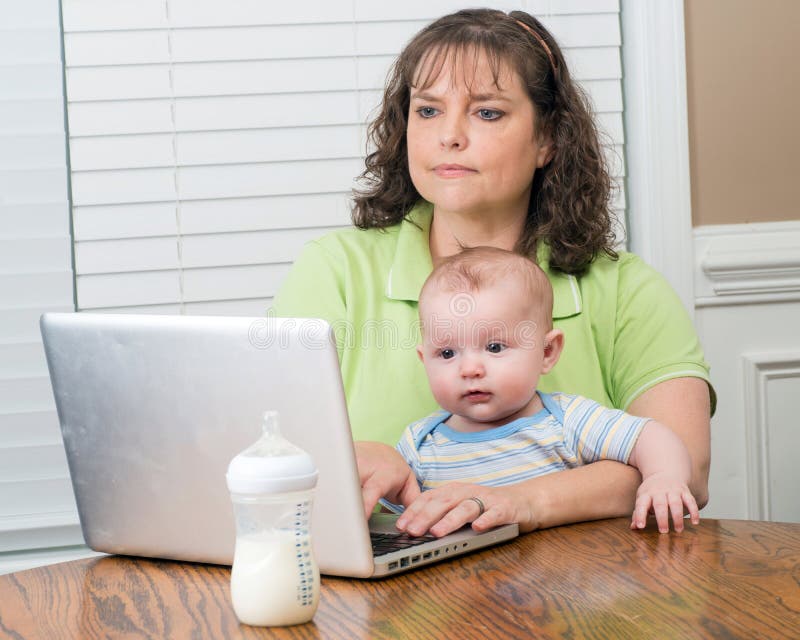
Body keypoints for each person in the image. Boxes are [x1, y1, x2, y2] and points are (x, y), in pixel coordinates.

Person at [272, 8, 714, 536]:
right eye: (428, 110)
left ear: (548, 139)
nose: (450, 136)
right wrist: (355, 458)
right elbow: (270, 446)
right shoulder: (333, 270)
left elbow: (688, 466)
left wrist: (516, 502)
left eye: (486, 113)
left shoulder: (627, 289)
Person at [389, 246, 699, 536]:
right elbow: (388, 517)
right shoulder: (418, 446)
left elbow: (650, 437)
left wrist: (663, 476)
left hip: (562, 579)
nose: (469, 369)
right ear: (423, 360)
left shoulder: (569, 421)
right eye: (446, 354)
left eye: (494, 347)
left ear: (547, 352)